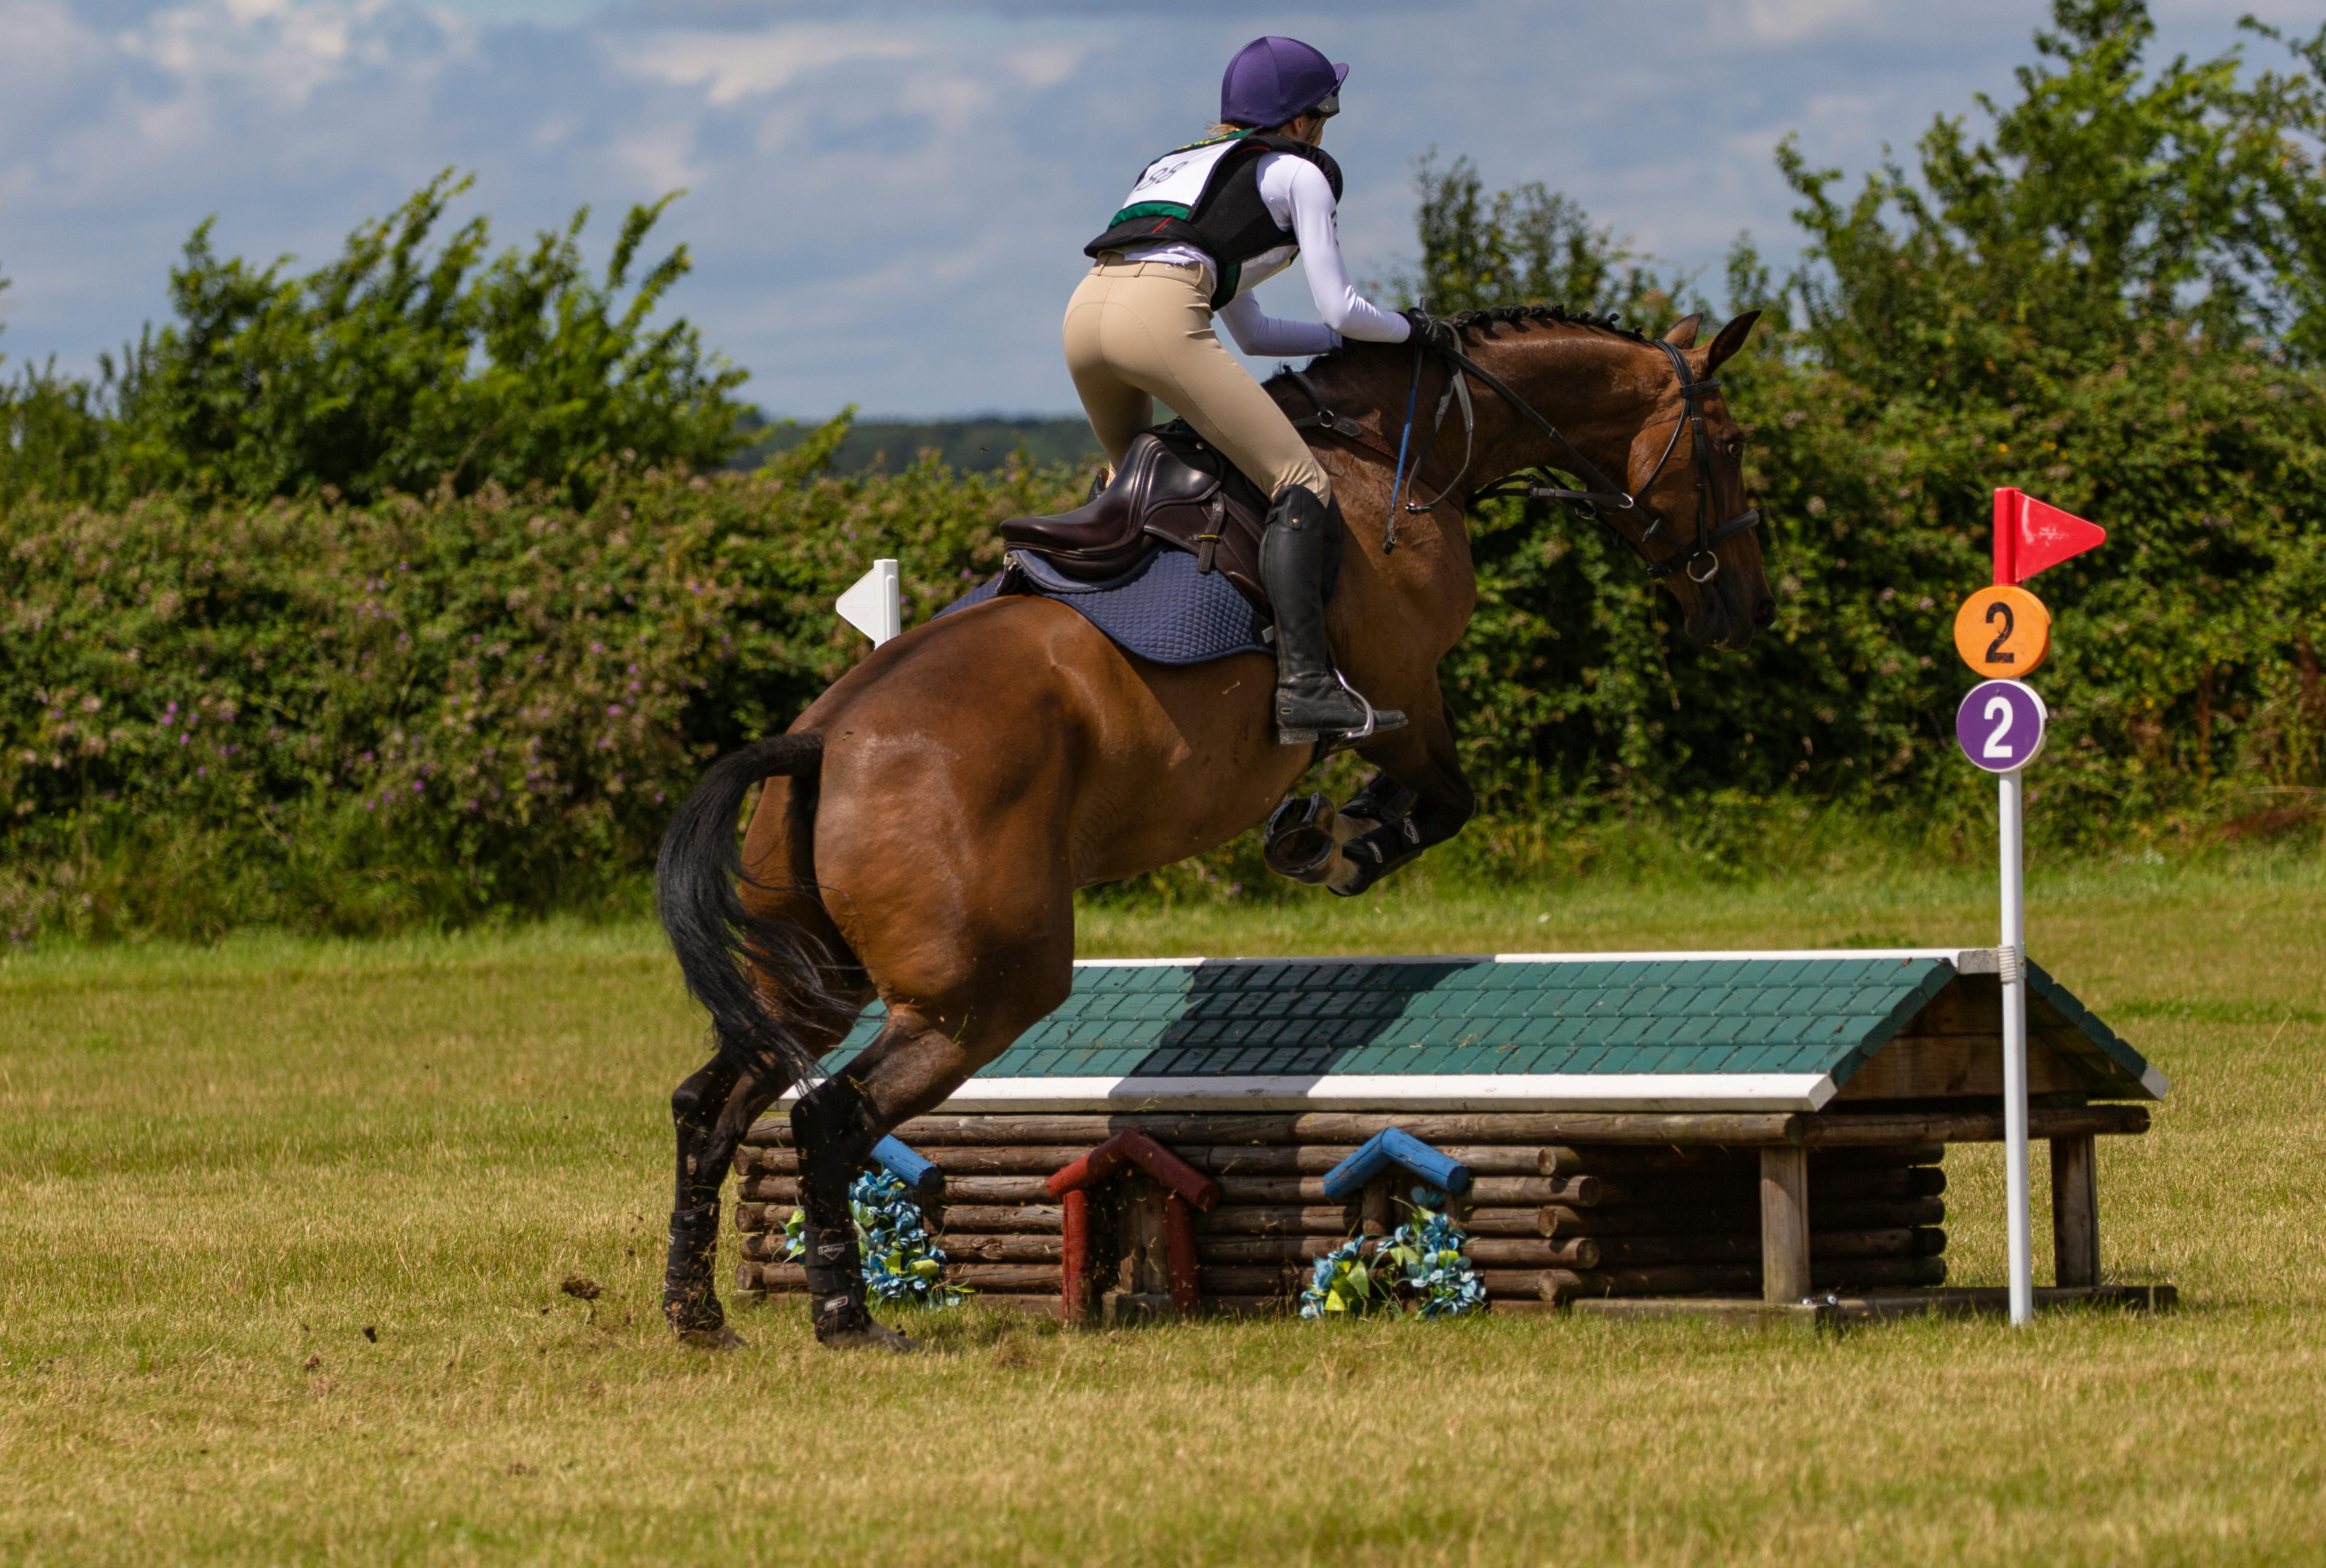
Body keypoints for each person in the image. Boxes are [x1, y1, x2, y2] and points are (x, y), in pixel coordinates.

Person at [1067, 36, 1435, 742]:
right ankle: (1304, 689)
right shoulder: (1298, 174)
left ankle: (1107, 637)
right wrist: (1410, 330)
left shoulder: (1177, 168)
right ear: (1301, 121)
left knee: (1126, 487)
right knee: (1300, 480)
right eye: (1323, 118)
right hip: (1159, 316)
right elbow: (1341, 309)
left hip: (1084, 316)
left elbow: (1258, 332)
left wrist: (1346, 344)